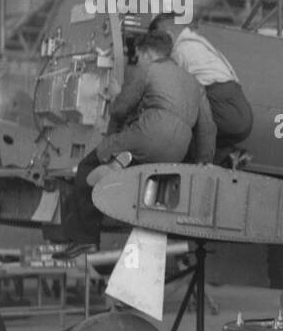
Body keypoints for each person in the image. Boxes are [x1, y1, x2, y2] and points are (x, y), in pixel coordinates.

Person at [54, 30, 215, 259]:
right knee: (134, 164)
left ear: (146, 52)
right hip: (177, 151)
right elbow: (207, 128)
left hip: (146, 136)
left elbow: (121, 108)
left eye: (138, 55)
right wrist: (204, 160)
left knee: (86, 167)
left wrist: (114, 95)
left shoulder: (148, 70)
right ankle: (119, 167)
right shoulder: (195, 84)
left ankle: (85, 239)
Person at [149, 14, 253, 168]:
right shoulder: (200, 44)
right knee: (208, 141)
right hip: (242, 114)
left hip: (223, 108)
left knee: (181, 132)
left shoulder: (182, 51)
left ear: (168, 32)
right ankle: (229, 155)